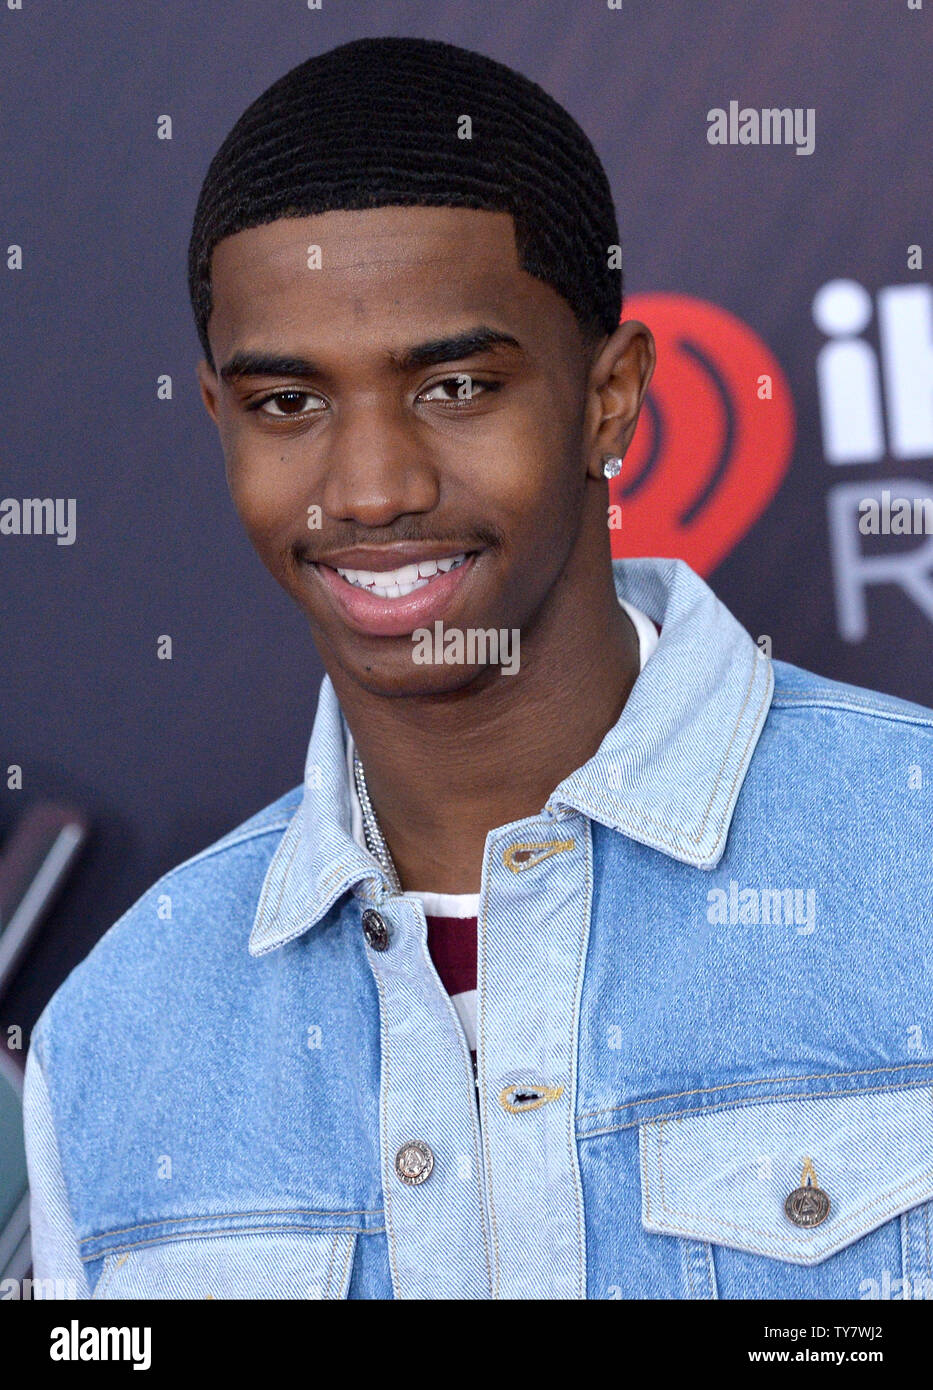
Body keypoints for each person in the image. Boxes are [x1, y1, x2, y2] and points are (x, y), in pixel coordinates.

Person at [23, 36, 933, 1302]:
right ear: (220, 419)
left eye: (455, 384)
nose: (373, 487)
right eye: (289, 402)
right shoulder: (122, 1034)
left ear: (610, 398)